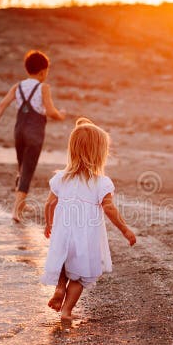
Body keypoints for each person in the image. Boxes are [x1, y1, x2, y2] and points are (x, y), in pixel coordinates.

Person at [41, 118, 136, 321]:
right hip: (86, 237)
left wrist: (49, 224)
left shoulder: (61, 178)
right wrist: (125, 229)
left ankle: (59, 288)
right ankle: (66, 310)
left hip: (62, 232)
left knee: (63, 261)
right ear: (100, 153)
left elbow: (49, 204)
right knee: (81, 276)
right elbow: (109, 208)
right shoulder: (101, 182)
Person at [0, 50, 66, 222]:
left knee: (22, 166)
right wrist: (61, 115)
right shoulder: (44, 88)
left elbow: (2, 104)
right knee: (28, 168)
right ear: (43, 71)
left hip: (19, 130)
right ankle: (16, 211)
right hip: (34, 132)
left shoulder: (18, 86)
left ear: (27, 69)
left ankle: (21, 203)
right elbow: (50, 111)